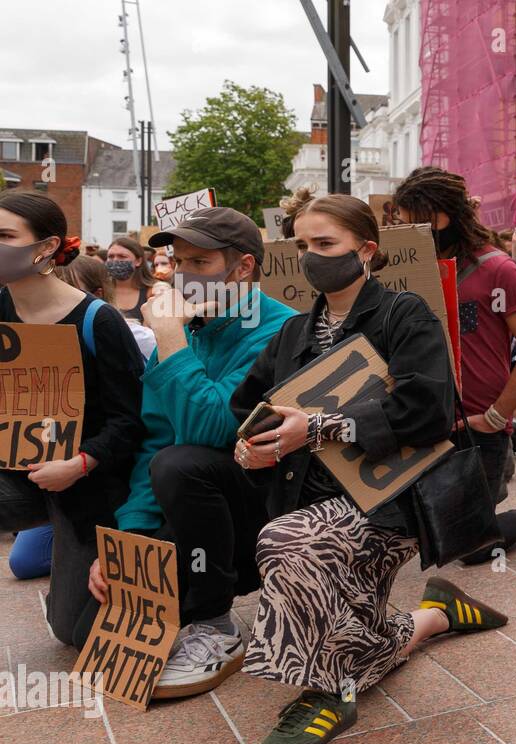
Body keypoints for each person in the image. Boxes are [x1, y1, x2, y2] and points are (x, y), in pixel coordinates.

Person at [230, 192, 505, 744]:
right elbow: (249, 408)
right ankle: (431, 617)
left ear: (367, 250)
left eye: (325, 244)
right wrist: (250, 448)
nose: (311, 257)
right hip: (310, 497)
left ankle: (331, 692)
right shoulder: (288, 337)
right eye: (302, 245)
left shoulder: (405, 315)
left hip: (392, 500)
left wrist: (322, 426)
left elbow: (429, 409)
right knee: (341, 606)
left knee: (288, 544)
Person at [87, 206, 296, 694]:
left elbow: (213, 429)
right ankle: (194, 596)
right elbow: (154, 437)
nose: (183, 275)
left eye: (200, 263)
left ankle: (215, 624)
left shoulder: (280, 330)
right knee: (86, 627)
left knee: (183, 462)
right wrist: (131, 541)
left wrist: (170, 338)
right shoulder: (186, 328)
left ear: (243, 267)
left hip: (262, 508)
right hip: (197, 500)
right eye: (178, 262)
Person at [0, 191, 146, 646]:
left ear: (45, 248)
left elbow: (133, 420)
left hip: (90, 483)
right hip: (17, 474)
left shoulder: (98, 320)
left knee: (76, 634)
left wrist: (80, 463)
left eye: (5, 236)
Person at [392, 167, 516, 565]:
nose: (406, 230)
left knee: (471, 549)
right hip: (423, 418)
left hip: (479, 424)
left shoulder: (499, 269)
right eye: (400, 222)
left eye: (415, 220)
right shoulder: (408, 273)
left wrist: (497, 416)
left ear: (443, 214)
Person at [106, 235, 165, 320]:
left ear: (138, 261)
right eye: (111, 256)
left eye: (122, 256)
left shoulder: (154, 291)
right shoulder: (100, 291)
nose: (115, 260)